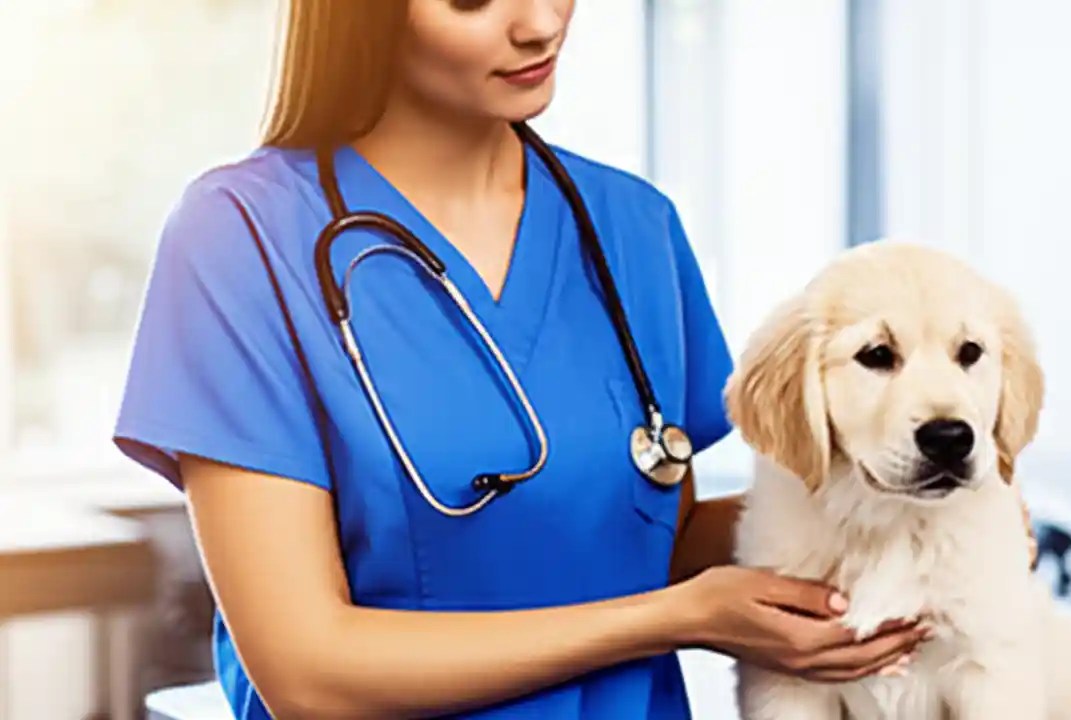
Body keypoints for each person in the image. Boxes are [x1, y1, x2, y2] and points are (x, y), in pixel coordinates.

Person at [111, 2, 931, 718]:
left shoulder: (632, 226)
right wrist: (675, 619)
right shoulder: (242, 235)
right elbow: (306, 673)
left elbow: (656, 537)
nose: (540, 23)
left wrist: (915, 512)